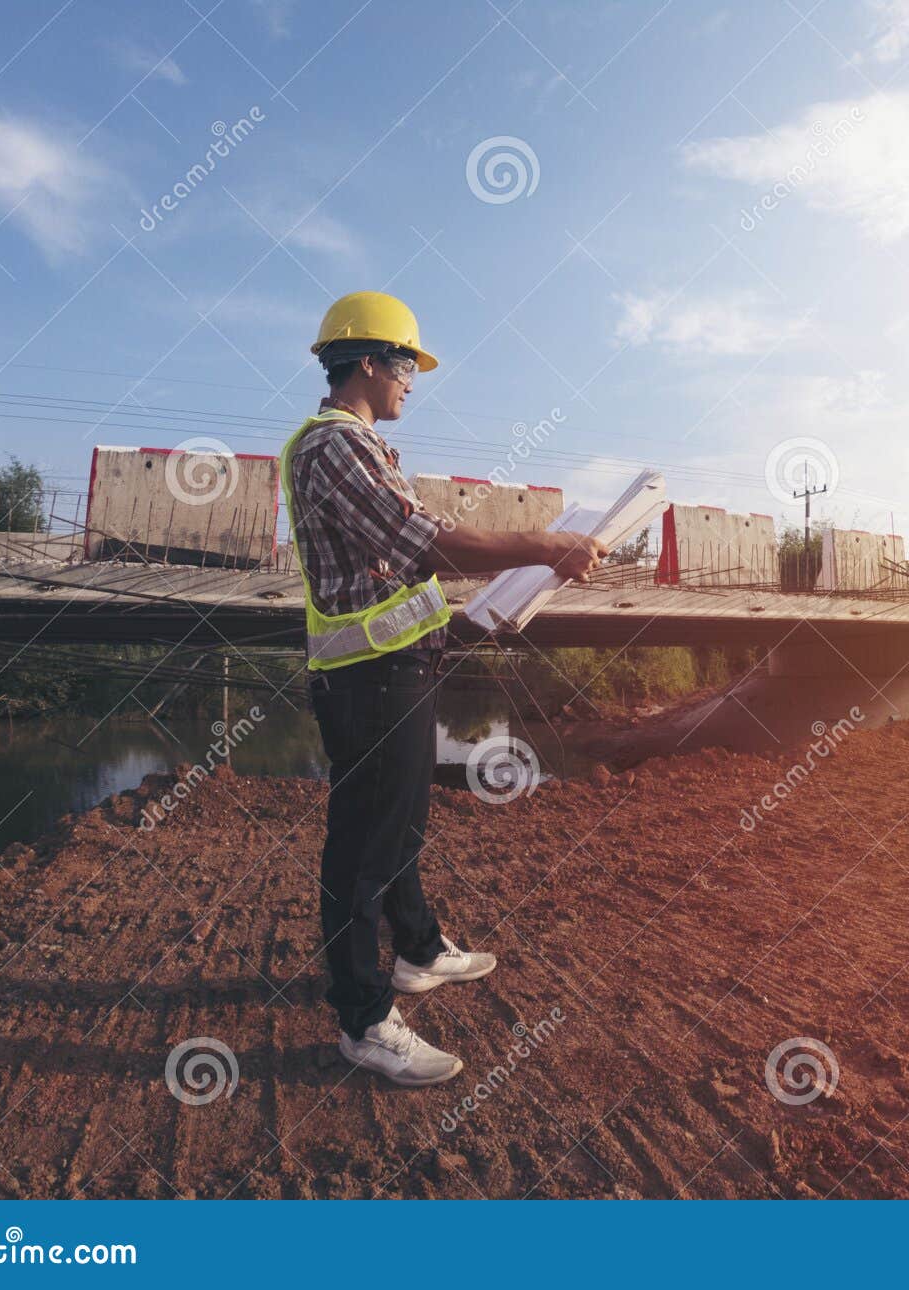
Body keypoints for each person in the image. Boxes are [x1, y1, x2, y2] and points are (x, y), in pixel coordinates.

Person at [282, 291, 607, 1087]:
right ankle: (362, 1019)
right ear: (367, 361)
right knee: (363, 845)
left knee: (401, 822)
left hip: (397, 669)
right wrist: (543, 546)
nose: (412, 383)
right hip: (367, 681)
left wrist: (469, 617)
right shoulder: (334, 448)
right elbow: (420, 540)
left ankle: (418, 951)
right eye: (405, 365)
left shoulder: (365, 448)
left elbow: (403, 566)